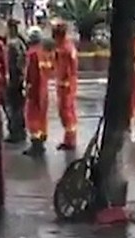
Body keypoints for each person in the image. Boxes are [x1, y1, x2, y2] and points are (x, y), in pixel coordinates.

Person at [22, 26, 53, 156]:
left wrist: (27, 87)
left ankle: (36, 144)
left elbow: (31, 73)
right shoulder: (44, 52)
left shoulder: (32, 53)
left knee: (32, 116)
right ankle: (41, 140)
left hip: (35, 90)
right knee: (42, 116)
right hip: (44, 89)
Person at [51, 20, 78, 150]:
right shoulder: (61, 46)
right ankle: (68, 138)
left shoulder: (66, 47)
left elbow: (71, 67)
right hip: (62, 83)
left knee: (66, 111)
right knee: (64, 111)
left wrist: (66, 82)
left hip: (66, 84)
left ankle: (70, 140)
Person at [4, 18, 26, 143]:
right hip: (19, 77)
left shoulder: (12, 44)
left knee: (13, 106)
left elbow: (14, 63)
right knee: (18, 105)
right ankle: (20, 130)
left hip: (13, 78)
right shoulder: (20, 42)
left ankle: (15, 131)